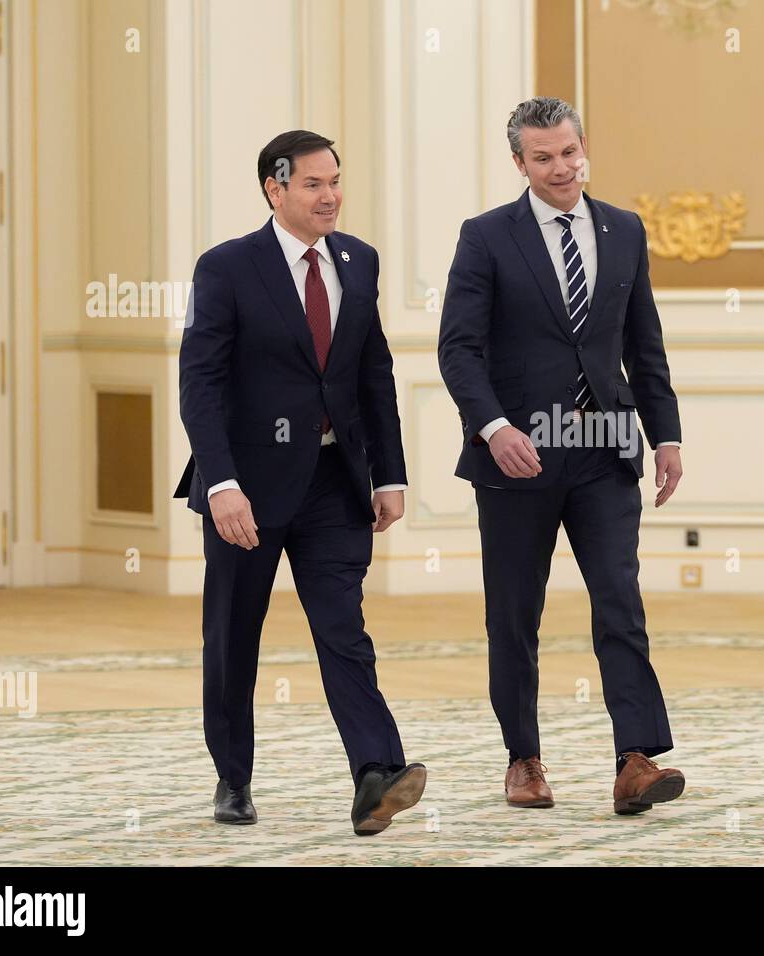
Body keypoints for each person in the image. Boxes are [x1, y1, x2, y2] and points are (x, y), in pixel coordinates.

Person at [438, 97, 687, 815]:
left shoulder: (624, 229)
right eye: (543, 157)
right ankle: (523, 758)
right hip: (518, 457)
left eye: (569, 152)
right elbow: (459, 348)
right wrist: (492, 428)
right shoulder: (486, 237)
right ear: (519, 163)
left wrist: (664, 434)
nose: (561, 168)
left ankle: (635, 759)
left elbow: (644, 344)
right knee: (516, 614)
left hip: (606, 450)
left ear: (585, 148)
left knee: (620, 601)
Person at [175, 130, 425, 836]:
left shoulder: (359, 261)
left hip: (333, 481)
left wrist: (391, 472)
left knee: (344, 628)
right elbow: (200, 383)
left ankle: (376, 774)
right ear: (274, 189)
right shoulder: (226, 268)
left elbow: (373, 374)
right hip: (246, 489)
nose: (330, 195)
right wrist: (221, 482)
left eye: (336, 180)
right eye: (313, 184)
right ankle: (233, 777)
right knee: (233, 636)